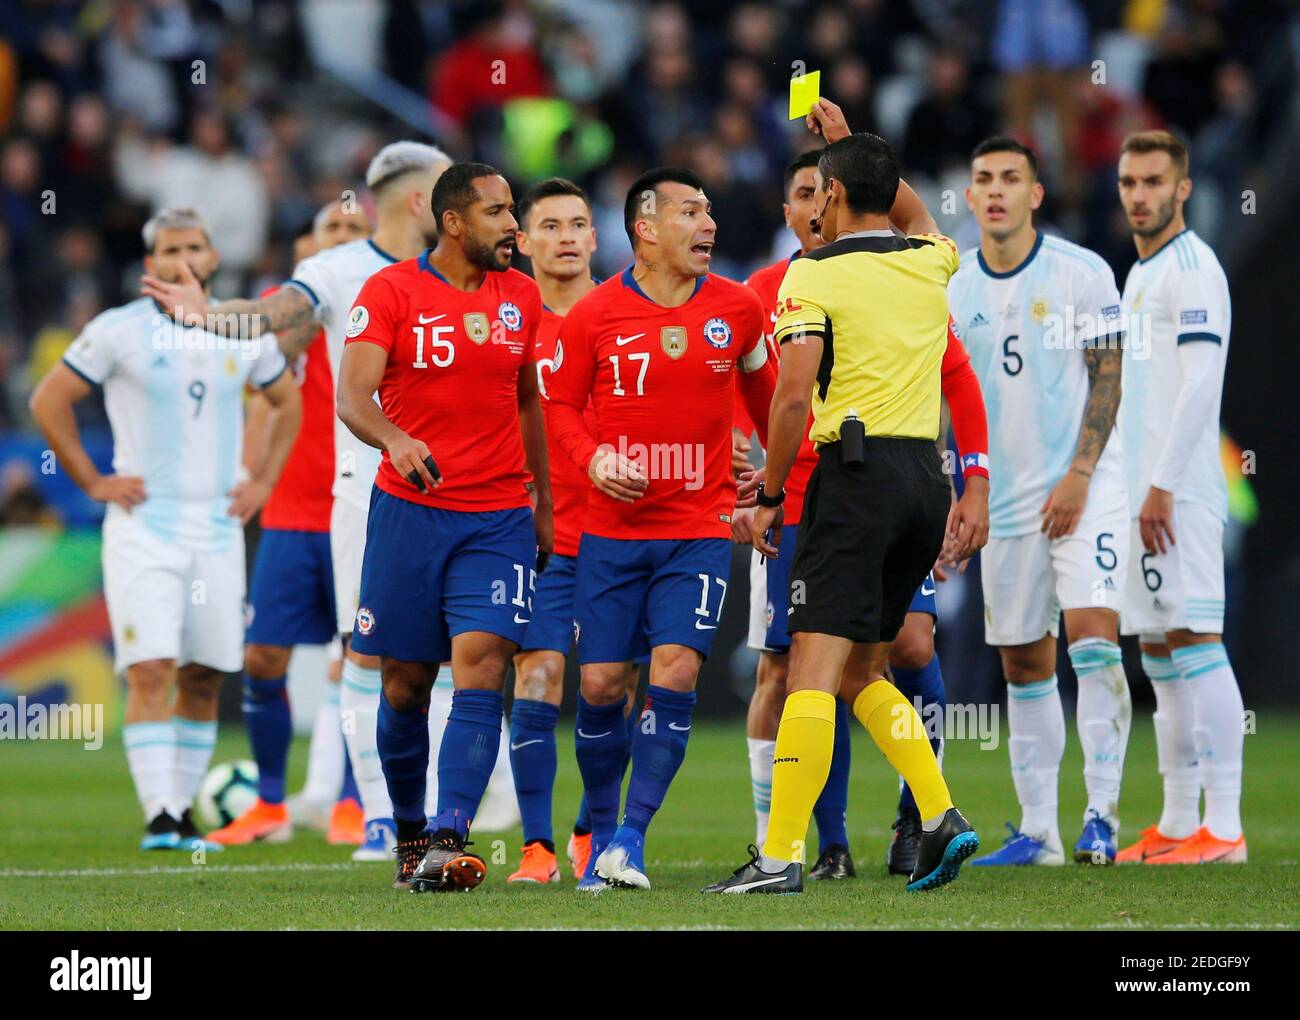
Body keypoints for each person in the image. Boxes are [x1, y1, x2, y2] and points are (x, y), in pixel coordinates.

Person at [141, 141, 515, 862]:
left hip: (475, 503)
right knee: (366, 659)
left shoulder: (492, 284)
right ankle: (379, 818)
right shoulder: (339, 270)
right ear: (423, 202)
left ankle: (444, 818)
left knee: (462, 660)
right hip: (366, 496)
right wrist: (211, 314)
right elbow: (278, 314)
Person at [706, 133, 976, 894]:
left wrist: (768, 493)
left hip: (853, 482)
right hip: (926, 481)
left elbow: (791, 399)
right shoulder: (930, 259)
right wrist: (858, 149)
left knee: (810, 678)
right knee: (863, 670)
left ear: (826, 196)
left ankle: (779, 856)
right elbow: (914, 213)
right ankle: (939, 811)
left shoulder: (808, 279)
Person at [29, 207, 300, 851]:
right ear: (151, 265)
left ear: (211, 258)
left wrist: (261, 480)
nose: (183, 258)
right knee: (152, 667)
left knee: (205, 671)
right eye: (169, 248)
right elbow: (48, 400)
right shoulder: (119, 331)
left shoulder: (241, 331)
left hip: (216, 526)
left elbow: (287, 401)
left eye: (194, 247)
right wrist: (93, 482)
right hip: (144, 525)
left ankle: (178, 813)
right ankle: (160, 816)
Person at [546, 167, 778, 890]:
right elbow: (559, 407)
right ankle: (597, 826)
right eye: (690, 212)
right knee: (603, 685)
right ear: (645, 229)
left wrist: (763, 478)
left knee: (674, 670)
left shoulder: (738, 310)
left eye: (709, 211)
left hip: (698, 528)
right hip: (610, 533)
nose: (708, 224)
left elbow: (769, 398)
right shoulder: (596, 314)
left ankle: (632, 842)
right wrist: (594, 460)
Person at [338, 162, 552, 893]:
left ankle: (448, 833)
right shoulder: (390, 291)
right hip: (409, 512)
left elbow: (529, 401)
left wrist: (543, 504)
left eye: (513, 211)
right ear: (452, 221)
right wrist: (395, 438)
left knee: (484, 665)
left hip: (495, 517)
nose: (514, 226)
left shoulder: (521, 296)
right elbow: (352, 396)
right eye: (498, 212)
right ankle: (407, 833)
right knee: (403, 685)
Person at [946, 138, 1132, 868]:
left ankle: (1102, 818)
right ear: (969, 197)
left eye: (1010, 178)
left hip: (1088, 488)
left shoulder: (1082, 272)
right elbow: (946, 402)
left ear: (1035, 194)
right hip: (1007, 499)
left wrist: (1083, 473)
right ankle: (1039, 832)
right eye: (983, 178)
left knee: (1092, 640)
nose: (995, 190)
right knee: (1024, 663)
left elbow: (1109, 379)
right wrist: (959, 490)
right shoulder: (953, 287)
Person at [207, 200, 371, 847]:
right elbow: (264, 399)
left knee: (363, 664)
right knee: (261, 656)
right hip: (293, 514)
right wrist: (251, 473)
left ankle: (358, 805)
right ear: (308, 247)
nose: (341, 240)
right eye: (329, 230)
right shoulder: (288, 309)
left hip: (358, 507)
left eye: (354, 231)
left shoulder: (387, 305)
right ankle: (271, 803)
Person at [1113, 131, 1245, 864]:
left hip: (1180, 492)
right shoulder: (1142, 274)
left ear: (1183, 188)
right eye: (1130, 182)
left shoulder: (1194, 269)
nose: (1140, 195)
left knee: (1195, 638)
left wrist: (1161, 484)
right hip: (1145, 494)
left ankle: (1224, 827)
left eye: (1154, 182)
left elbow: (1201, 385)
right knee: (1160, 649)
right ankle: (1175, 819)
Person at [505, 177, 642, 884]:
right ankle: (537, 847)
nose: (565, 237)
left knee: (609, 688)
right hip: (542, 538)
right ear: (522, 242)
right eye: (549, 226)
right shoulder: (507, 323)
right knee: (539, 674)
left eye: (577, 225)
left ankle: (597, 829)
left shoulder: (628, 313)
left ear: (595, 238)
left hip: (623, 534)